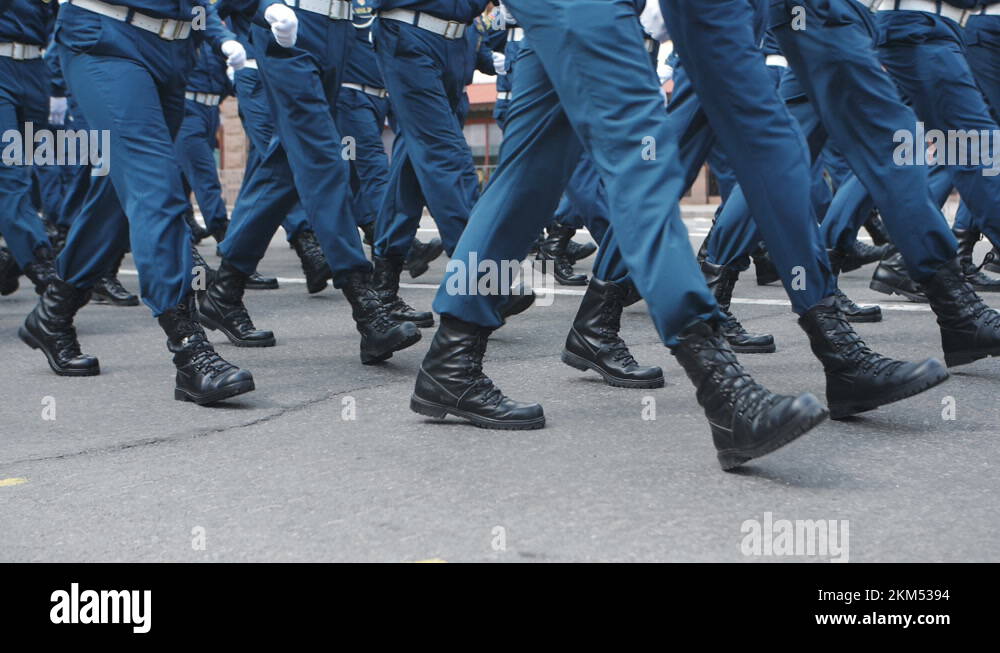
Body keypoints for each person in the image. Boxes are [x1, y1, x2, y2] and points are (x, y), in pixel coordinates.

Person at [20, 0, 255, 406]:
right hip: (105, 37)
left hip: (173, 47)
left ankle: (54, 312)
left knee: (119, 193)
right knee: (157, 188)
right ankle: (189, 349)